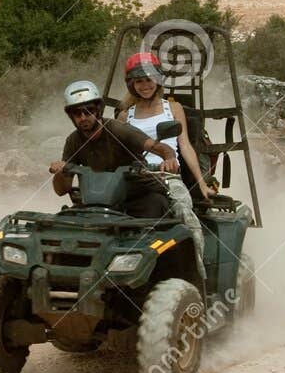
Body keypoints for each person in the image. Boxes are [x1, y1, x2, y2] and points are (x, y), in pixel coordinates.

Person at [49, 81, 206, 282]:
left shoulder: (119, 130)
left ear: (98, 110)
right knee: (67, 230)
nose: (83, 117)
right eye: (76, 113)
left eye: (88, 111)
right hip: (99, 205)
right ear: (71, 116)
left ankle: (194, 277)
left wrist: (169, 159)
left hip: (140, 196)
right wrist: (61, 172)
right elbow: (62, 190)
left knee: (172, 217)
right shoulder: (73, 141)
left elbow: (160, 148)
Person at [117, 52, 213, 281]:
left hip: (168, 176)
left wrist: (202, 184)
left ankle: (198, 276)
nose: (145, 86)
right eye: (139, 81)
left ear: (158, 79)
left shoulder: (173, 108)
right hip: (136, 177)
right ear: (131, 84)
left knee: (186, 215)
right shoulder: (125, 115)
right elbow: (119, 153)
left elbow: (185, 146)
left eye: (149, 79)